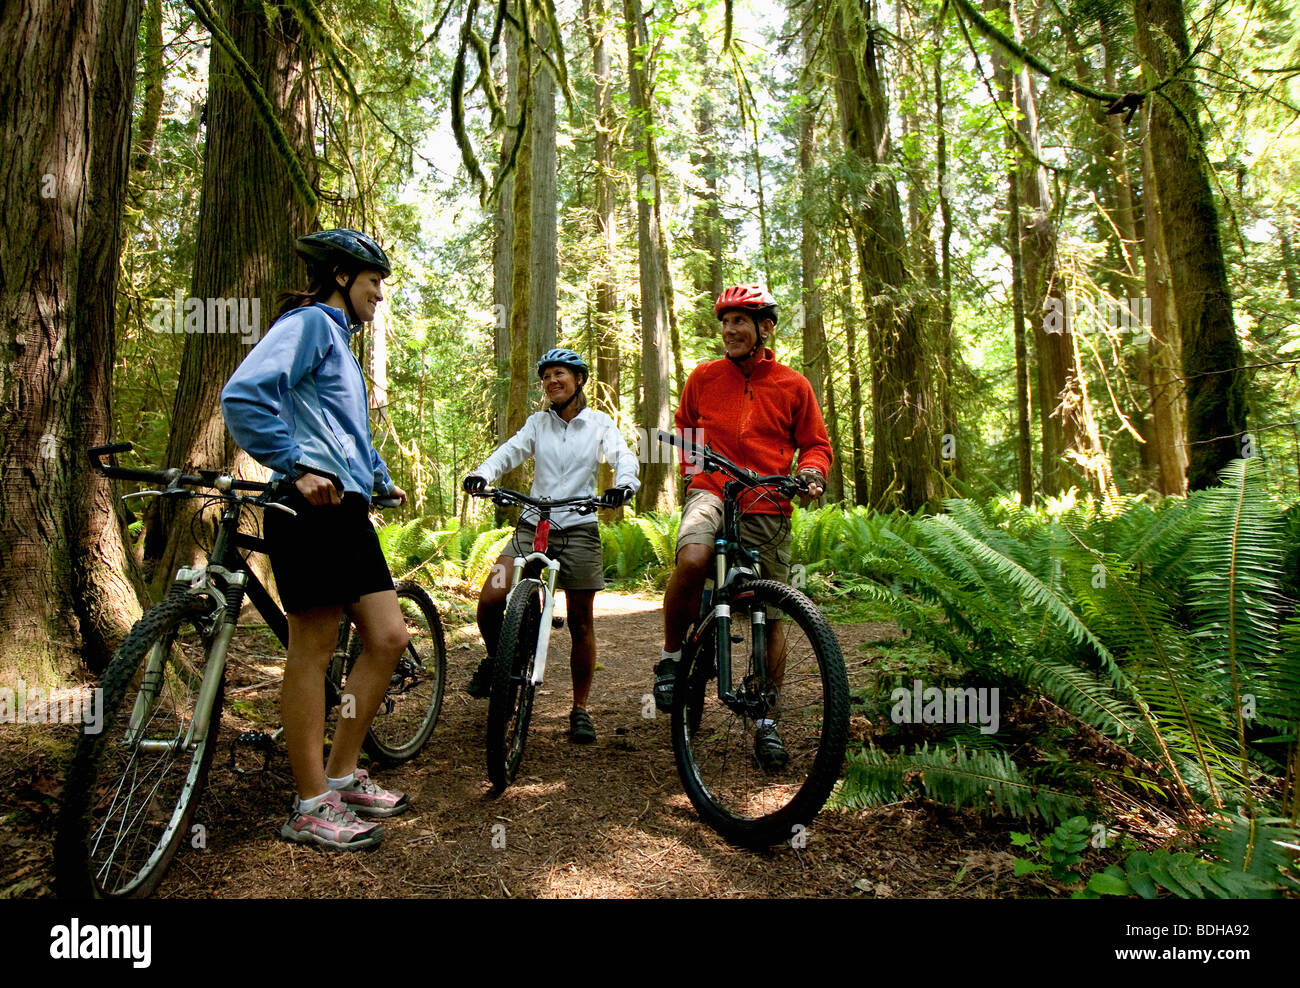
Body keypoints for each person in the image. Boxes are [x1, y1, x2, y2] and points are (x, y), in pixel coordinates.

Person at [220, 228, 410, 851]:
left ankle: (341, 773)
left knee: (387, 638)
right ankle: (308, 804)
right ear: (340, 276)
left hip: (347, 510)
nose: (379, 295)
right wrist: (295, 464)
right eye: (373, 282)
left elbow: (345, 434)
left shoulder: (339, 344)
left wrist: (378, 479)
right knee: (314, 645)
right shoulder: (307, 324)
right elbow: (245, 396)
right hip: (307, 507)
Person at [655, 284, 832, 770]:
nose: (729, 331)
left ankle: (766, 720)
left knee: (770, 610)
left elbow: (815, 443)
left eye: (739, 322)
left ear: (764, 328)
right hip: (711, 489)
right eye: (725, 322)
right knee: (691, 557)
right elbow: (686, 428)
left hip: (769, 500)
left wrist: (813, 473)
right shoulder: (704, 377)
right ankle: (672, 659)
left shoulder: (793, 385)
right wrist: (695, 473)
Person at [462, 348, 640, 744]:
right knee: (492, 596)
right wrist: (481, 474)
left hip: (579, 527)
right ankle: (499, 661)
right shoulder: (537, 424)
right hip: (532, 523)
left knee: (580, 621)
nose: (552, 382)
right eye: (546, 377)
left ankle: (580, 708)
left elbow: (623, 456)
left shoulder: (599, 424)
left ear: (579, 380)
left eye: (560, 374)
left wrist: (624, 485)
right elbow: (509, 451)